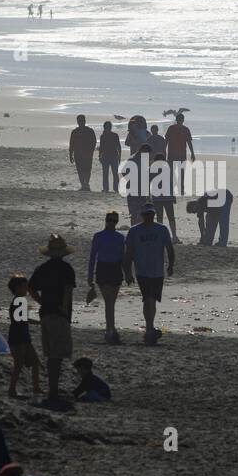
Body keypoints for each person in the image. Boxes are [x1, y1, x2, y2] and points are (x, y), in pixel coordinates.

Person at [28, 234, 75, 405]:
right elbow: (68, 291)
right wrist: (63, 308)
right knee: (58, 355)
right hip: (59, 315)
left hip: (45, 313)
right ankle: (53, 391)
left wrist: (43, 302)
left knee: (50, 354)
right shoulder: (67, 269)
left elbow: (31, 289)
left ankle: (52, 388)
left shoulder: (42, 269)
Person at [124, 203, 175, 346]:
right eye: (146, 215)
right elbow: (128, 253)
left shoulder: (162, 229)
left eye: (151, 214)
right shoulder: (134, 231)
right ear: (142, 215)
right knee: (148, 299)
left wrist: (171, 265)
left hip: (158, 271)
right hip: (142, 271)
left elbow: (169, 249)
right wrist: (128, 273)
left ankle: (150, 328)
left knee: (153, 300)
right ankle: (149, 329)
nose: (149, 217)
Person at [87, 211, 126, 344]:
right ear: (106, 220)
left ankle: (110, 329)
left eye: (114, 220)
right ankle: (111, 329)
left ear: (117, 222)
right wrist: (90, 275)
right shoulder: (98, 236)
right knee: (108, 301)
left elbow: (123, 257)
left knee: (111, 302)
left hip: (115, 269)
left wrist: (127, 274)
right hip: (103, 268)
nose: (111, 223)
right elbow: (92, 257)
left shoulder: (120, 237)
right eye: (110, 220)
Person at [6, 275, 42, 398]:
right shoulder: (18, 301)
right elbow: (20, 319)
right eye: (24, 287)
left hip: (24, 336)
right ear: (16, 288)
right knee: (19, 363)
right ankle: (12, 389)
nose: (27, 289)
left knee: (35, 362)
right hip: (17, 336)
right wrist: (39, 322)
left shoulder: (21, 300)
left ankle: (36, 388)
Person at [150, 153, 179, 241]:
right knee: (171, 217)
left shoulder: (152, 170)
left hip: (157, 197)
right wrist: (173, 196)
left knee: (159, 217)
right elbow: (173, 183)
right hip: (168, 197)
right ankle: (174, 236)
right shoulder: (168, 169)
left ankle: (160, 236)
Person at [120, 144, 152, 224]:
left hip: (137, 188)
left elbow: (124, 172)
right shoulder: (134, 159)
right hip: (136, 189)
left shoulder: (135, 158)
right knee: (137, 212)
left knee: (136, 212)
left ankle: (135, 229)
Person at [164, 112, 195, 194]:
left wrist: (192, 153)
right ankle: (172, 188)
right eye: (179, 120)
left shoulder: (185, 129)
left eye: (181, 120)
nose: (180, 121)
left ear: (182, 120)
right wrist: (163, 151)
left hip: (180, 155)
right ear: (177, 120)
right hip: (173, 154)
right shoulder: (172, 128)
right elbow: (166, 141)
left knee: (179, 172)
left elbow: (189, 142)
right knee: (172, 172)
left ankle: (180, 189)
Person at [69, 114, 97, 190]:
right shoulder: (75, 132)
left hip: (87, 154)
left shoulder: (90, 131)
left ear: (84, 121)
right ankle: (83, 185)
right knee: (80, 170)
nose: (81, 122)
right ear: (77, 122)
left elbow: (94, 142)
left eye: (82, 121)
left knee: (87, 169)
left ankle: (86, 184)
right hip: (78, 154)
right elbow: (71, 144)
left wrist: (91, 151)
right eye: (79, 121)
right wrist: (70, 154)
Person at [98, 120, 122, 192]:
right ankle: (107, 188)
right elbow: (101, 147)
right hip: (107, 156)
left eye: (108, 127)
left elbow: (119, 146)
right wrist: (100, 156)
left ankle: (114, 188)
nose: (108, 128)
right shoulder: (103, 136)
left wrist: (119, 156)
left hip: (112, 156)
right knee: (108, 173)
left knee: (113, 173)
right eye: (107, 127)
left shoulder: (113, 135)